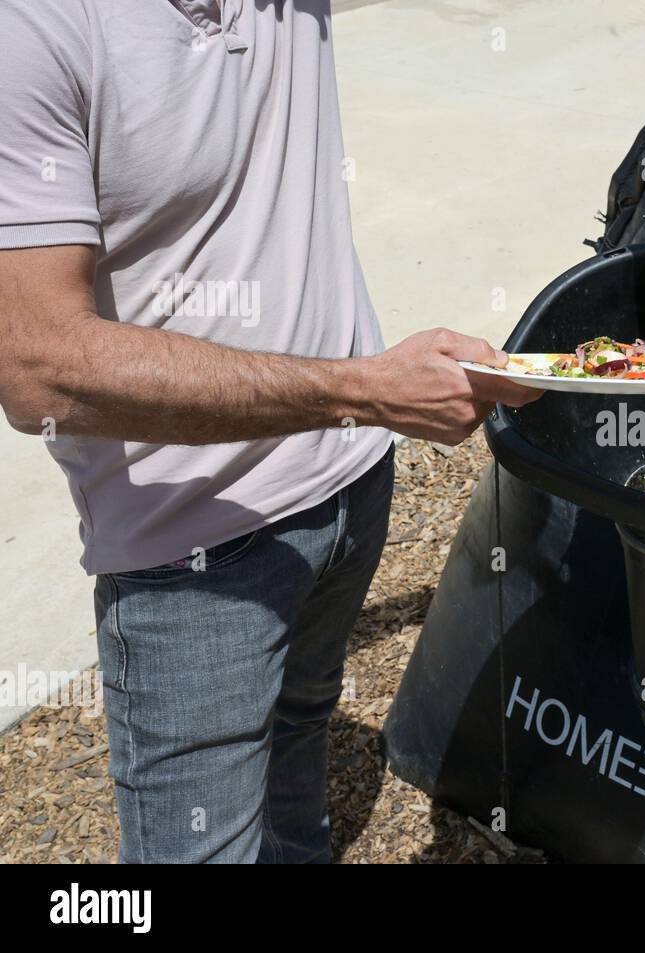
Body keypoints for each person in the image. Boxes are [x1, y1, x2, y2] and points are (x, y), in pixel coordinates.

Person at [0, 0, 539, 863]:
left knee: (297, 779)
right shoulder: (33, 30)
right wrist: (361, 391)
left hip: (351, 490)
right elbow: (37, 368)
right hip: (190, 555)